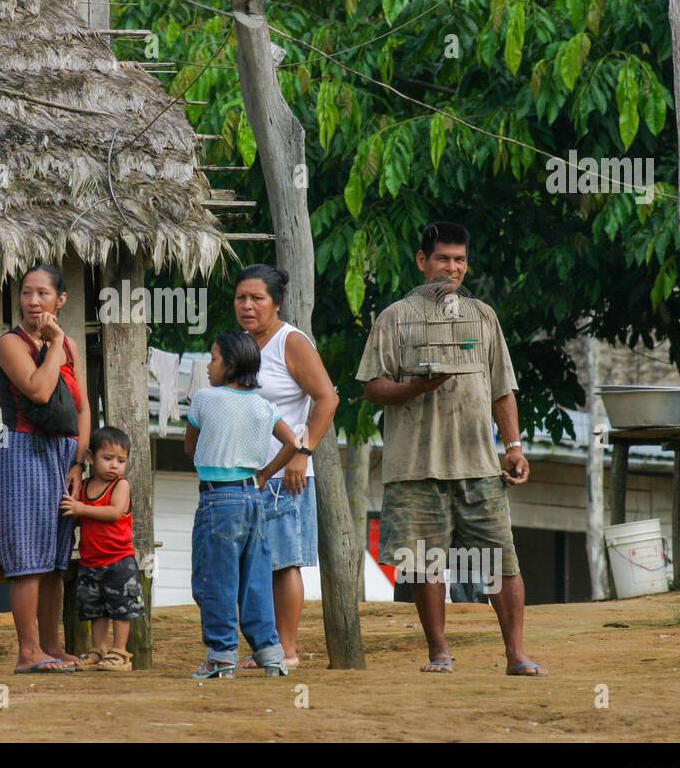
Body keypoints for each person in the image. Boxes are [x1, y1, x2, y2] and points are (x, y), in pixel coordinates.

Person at [358, 222, 545, 676]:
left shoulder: (483, 317)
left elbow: (503, 390)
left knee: (502, 560)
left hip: (479, 463)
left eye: (459, 259)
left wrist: (514, 447)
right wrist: (415, 388)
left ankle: (516, 655)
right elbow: (373, 388)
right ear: (423, 261)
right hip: (414, 466)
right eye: (442, 258)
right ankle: (438, 652)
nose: (452, 267)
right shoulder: (394, 317)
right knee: (423, 566)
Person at [233, 264, 339, 669]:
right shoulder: (238, 344)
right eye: (241, 297)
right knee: (248, 564)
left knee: (283, 562)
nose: (247, 305)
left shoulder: (290, 342)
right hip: (241, 474)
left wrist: (303, 451)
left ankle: (287, 651)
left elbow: (327, 399)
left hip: (283, 475)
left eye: (257, 298)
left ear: (276, 303)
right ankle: (262, 646)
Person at [184, 329, 302, 680]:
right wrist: (264, 474)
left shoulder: (205, 399)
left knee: (213, 579)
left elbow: (190, 447)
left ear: (230, 364)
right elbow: (294, 442)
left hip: (217, 499)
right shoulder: (263, 405)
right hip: (253, 497)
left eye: (214, 358)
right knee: (254, 579)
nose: (208, 365)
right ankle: (270, 653)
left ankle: (221, 657)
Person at [0, 264, 91, 674]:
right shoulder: (10, 343)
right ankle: (27, 651)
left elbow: (82, 407)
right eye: (26, 293)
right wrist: (52, 345)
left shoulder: (69, 344)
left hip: (62, 454)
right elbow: (38, 388)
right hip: (22, 450)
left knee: (55, 558)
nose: (33, 302)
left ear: (60, 301)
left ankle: (52, 646)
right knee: (28, 555)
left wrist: (79, 462)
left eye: (43, 295)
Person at [61, 426, 143, 672]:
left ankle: (120, 653)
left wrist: (81, 509)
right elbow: (77, 517)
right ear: (90, 457)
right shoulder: (84, 488)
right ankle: (99, 650)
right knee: (96, 609)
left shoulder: (121, 486)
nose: (114, 466)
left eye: (121, 461)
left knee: (121, 608)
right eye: (107, 459)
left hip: (119, 560)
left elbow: (114, 512)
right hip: (91, 560)